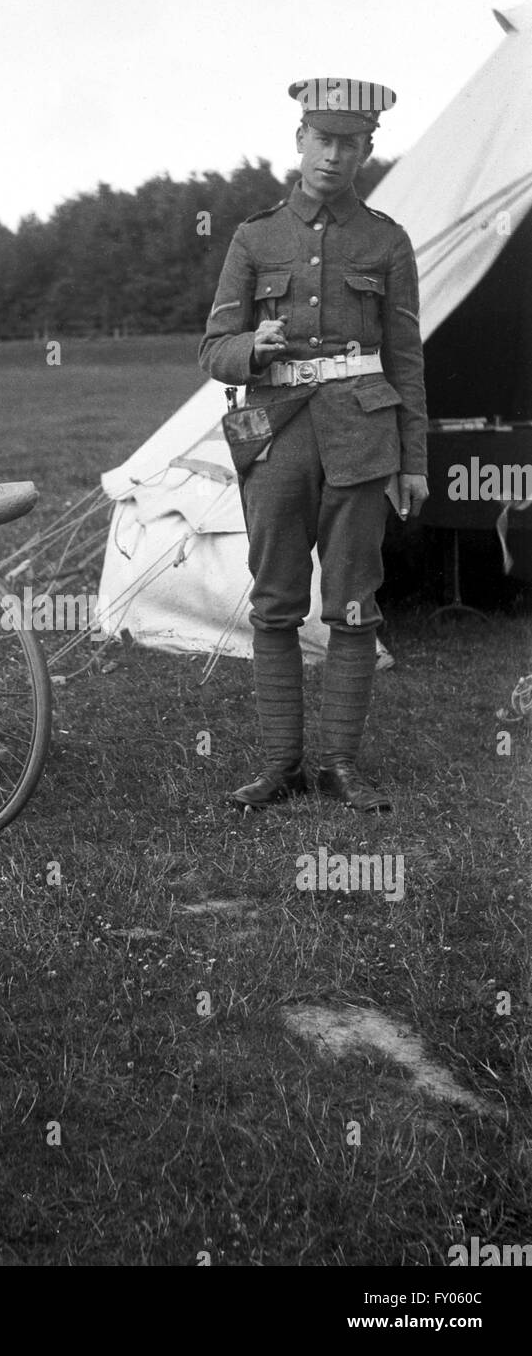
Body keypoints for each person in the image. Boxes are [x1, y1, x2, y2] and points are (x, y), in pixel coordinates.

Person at [199, 79, 429, 813]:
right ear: (298, 138)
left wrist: (414, 460)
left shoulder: (385, 239)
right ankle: (278, 766)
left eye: (349, 143)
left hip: (362, 437)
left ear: (366, 150)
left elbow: (405, 357)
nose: (333, 156)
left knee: (353, 603)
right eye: (321, 139)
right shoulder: (254, 236)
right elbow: (212, 349)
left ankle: (338, 766)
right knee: (273, 602)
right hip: (274, 437)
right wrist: (252, 349)